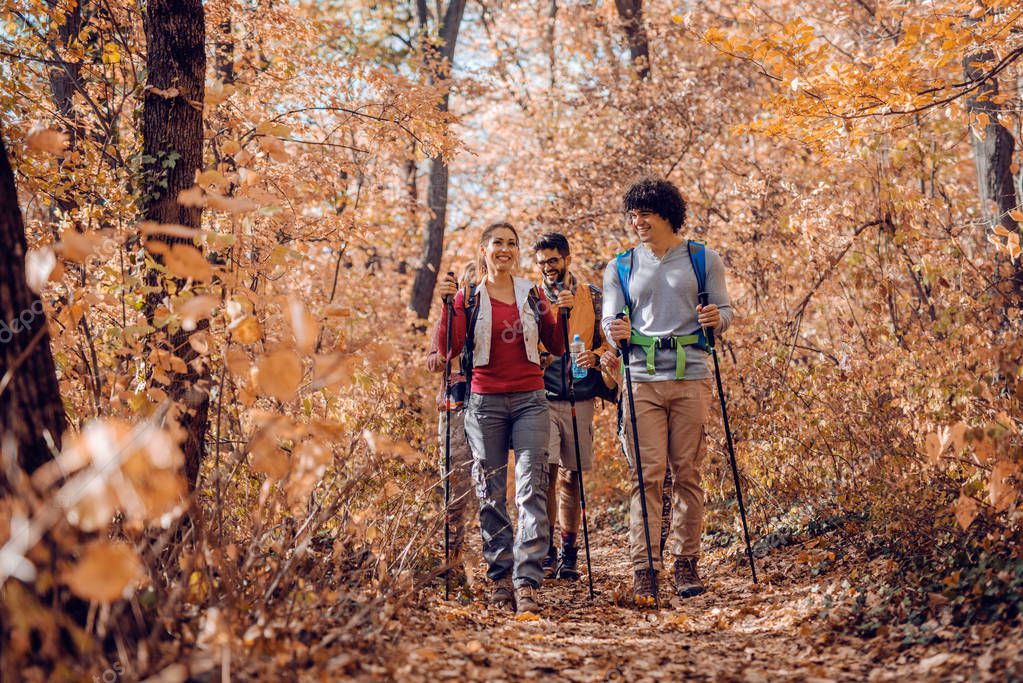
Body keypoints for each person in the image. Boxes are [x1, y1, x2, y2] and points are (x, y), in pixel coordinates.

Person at [601, 177, 733, 602]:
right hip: (641, 379)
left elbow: (726, 311)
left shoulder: (702, 259)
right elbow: (609, 318)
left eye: (645, 213)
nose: (637, 221)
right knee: (647, 476)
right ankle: (645, 568)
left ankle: (685, 562)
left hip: (691, 376)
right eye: (633, 214)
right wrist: (614, 327)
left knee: (688, 473)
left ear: (667, 214)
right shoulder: (620, 266)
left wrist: (717, 318)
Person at [434, 222, 573, 614]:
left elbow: (556, 345)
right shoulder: (468, 297)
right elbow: (452, 346)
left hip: (530, 399)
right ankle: (500, 580)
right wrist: (447, 306)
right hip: (485, 404)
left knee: (531, 488)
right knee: (489, 493)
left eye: (512, 244)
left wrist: (562, 313)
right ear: (484, 249)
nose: (506, 250)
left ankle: (526, 580)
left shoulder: (531, 292)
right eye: (498, 243)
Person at [532, 232, 612, 581]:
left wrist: (593, 357)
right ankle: (546, 552)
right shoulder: (531, 298)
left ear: (567, 258)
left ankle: (570, 553)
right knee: (545, 474)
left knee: (572, 477)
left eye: (553, 260)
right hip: (542, 397)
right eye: (542, 263)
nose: (548, 268)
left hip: (580, 396)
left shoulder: (592, 297)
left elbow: (608, 343)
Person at [426, 263, 478, 594]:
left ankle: (490, 560)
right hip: (454, 408)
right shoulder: (449, 315)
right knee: (456, 487)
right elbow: (433, 358)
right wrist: (444, 361)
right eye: (467, 288)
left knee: (487, 485)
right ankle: (452, 560)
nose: (469, 296)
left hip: (489, 404)